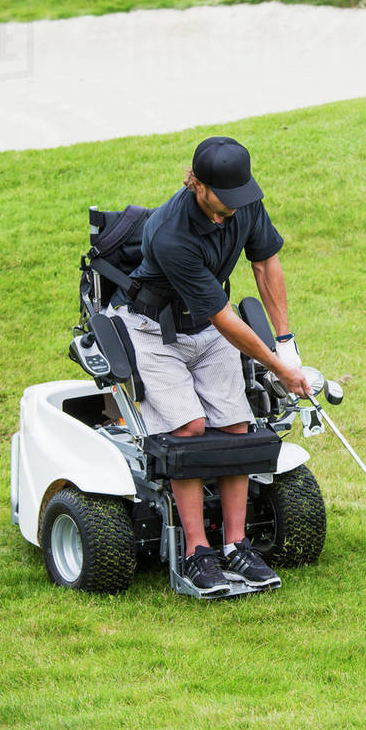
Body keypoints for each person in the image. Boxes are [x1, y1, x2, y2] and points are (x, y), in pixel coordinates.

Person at [109, 136, 311, 595]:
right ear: (197, 184)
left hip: (207, 326)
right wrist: (278, 368)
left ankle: (237, 544)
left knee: (236, 425)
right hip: (153, 329)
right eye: (224, 200)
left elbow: (265, 265)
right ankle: (197, 550)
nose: (232, 210)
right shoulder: (171, 233)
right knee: (190, 428)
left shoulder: (244, 201)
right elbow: (223, 317)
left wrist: (286, 344)